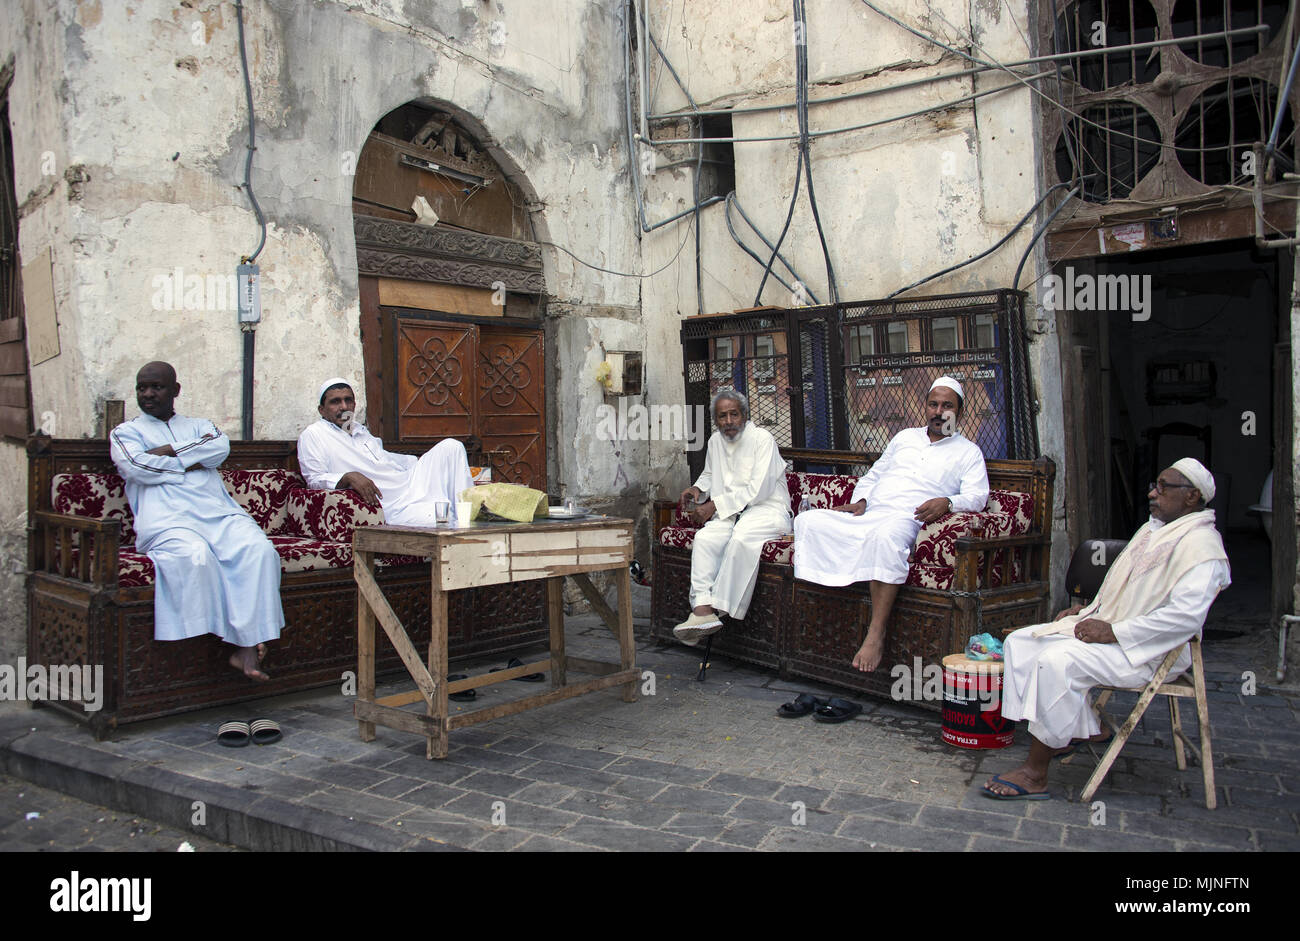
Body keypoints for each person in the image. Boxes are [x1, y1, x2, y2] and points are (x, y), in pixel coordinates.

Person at [983, 458, 1230, 800]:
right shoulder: (1153, 529)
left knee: (1057, 661)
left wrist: (1113, 632)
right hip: (1118, 634)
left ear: (1191, 497)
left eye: (1162, 487)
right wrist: (1090, 611)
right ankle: (1082, 729)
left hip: (1152, 652)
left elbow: (1184, 619)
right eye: (1154, 485)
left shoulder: (1203, 548)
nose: (1152, 493)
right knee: (1021, 642)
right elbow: (1124, 589)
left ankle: (1035, 772)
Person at [794, 377, 988, 673]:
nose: (939, 411)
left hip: (907, 519)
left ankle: (876, 632)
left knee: (885, 538)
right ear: (925, 406)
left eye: (947, 406)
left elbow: (977, 497)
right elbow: (874, 475)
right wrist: (861, 502)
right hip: (873, 513)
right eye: (933, 404)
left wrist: (947, 503)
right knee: (808, 521)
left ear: (960, 411)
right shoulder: (904, 437)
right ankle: (824, 614)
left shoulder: (968, 451)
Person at [109, 361, 283, 680]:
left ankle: (245, 649)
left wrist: (167, 452)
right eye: (141, 387)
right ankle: (198, 657)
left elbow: (219, 447)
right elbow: (137, 467)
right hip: (167, 521)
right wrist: (190, 461)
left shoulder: (200, 423)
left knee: (258, 552)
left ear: (175, 390)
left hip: (219, 515)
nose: (147, 394)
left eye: (156, 387)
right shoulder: (126, 432)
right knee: (195, 556)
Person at [673, 389, 791, 645]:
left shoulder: (763, 439)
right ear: (715, 421)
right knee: (706, 539)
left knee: (741, 538)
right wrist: (698, 489)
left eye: (733, 414)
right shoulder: (715, 441)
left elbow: (758, 490)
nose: (728, 421)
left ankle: (719, 610)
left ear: (744, 415)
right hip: (731, 514)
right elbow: (708, 475)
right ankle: (702, 610)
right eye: (722, 416)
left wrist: (714, 505)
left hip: (767, 510)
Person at [296, 378, 472, 526]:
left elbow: (385, 460)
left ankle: (471, 512)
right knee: (444, 517)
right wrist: (348, 476)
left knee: (451, 446)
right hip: (392, 504)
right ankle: (466, 522)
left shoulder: (360, 430)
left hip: (407, 483)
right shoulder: (314, 434)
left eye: (348, 400)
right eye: (335, 402)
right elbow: (314, 479)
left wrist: (425, 462)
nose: (344, 406)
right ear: (322, 410)